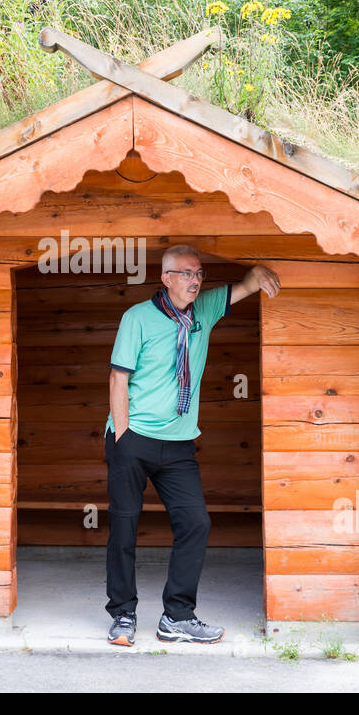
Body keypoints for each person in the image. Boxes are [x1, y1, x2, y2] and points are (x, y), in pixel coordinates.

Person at [103, 244, 281, 645]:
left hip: (179, 444)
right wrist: (124, 436)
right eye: (186, 274)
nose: (195, 280)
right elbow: (119, 379)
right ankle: (123, 616)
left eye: (199, 273)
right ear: (166, 279)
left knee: (196, 523)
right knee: (124, 527)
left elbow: (248, 282)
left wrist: (259, 268)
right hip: (133, 439)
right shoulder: (138, 318)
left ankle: (177, 617)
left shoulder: (205, 309)